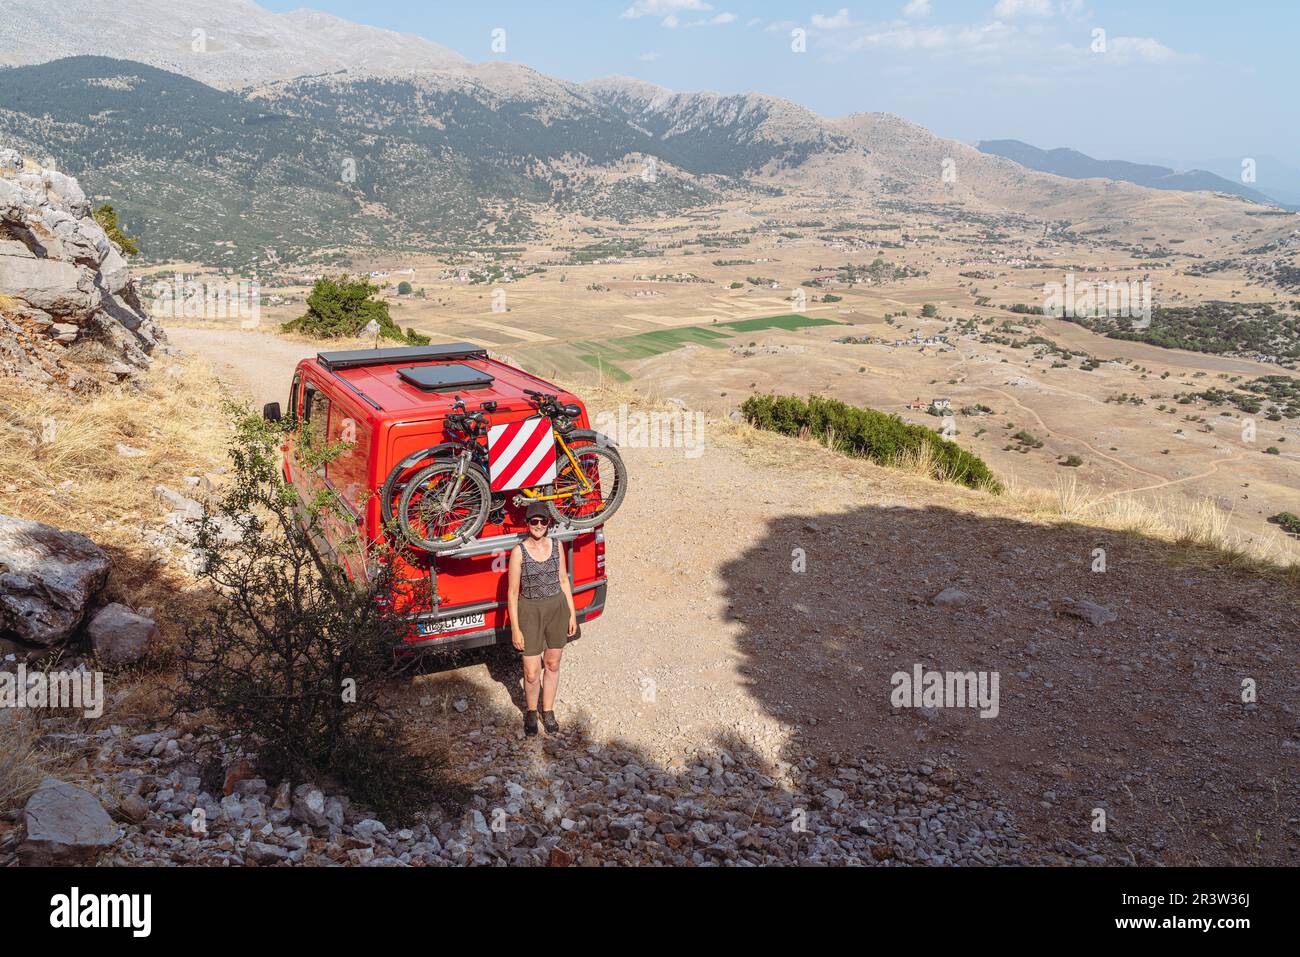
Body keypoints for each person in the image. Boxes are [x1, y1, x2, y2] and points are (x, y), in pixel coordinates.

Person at [507, 502, 577, 736]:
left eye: (542, 521)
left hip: (556, 609)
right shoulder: (519, 551)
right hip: (530, 612)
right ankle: (530, 711)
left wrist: (572, 614)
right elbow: (513, 592)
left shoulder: (557, 545)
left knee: (553, 664)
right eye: (533, 521)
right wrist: (515, 628)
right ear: (527, 524)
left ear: (549, 523)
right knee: (531, 671)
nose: (538, 526)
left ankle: (547, 711)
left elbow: (564, 582)